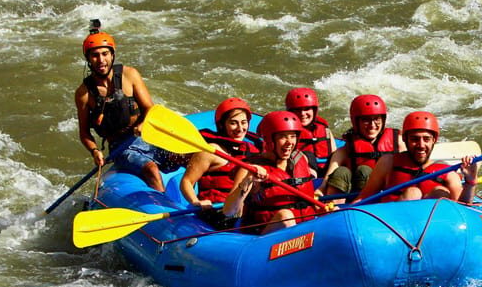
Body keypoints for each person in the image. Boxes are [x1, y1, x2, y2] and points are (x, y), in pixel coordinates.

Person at [74, 22, 168, 191]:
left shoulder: (129, 75)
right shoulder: (83, 93)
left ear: (112, 55)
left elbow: (150, 109)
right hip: (122, 147)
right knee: (151, 169)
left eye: (105, 54)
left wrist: (141, 125)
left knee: (187, 156)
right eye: (95, 55)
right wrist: (95, 150)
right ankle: (166, 214)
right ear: (88, 59)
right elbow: (84, 133)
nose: (101, 60)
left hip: (147, 136)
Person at [222, 110, 319, 234]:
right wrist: (248, 180)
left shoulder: (301, 158)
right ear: (269, 139)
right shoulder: (250, 168)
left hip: (304, 231)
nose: (290, 142)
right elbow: (229, 211)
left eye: (293, 136)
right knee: (286, 216)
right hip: (264, 238)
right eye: (283, 136)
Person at [355, 111, 479, 204]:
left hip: (432, 228)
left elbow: (463, 207)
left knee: (440, 193)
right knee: (412, 193)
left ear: (434, 140)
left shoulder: (448, 172)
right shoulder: (388, 162)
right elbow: (364, 197)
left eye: (426, 139)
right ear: (405, 139)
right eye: (414, 139)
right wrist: (344, 211)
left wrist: (471, 181)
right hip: (392, 225)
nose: (421, 145)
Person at [180, 97, 261, 227]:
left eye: (244, 122)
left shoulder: (253, 150)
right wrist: (196, 202)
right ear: (222, 125)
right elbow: (187, 181)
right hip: (216, 213)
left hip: (243, 213)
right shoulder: (211, 151)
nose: (240, 128)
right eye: (233, 123)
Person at [319, 94, 406, 198]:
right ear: (356, 122)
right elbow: (329, 176)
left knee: (365, 170)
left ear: (383, 120)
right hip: (356, 196)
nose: (372, 125)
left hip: (384, 193)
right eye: (366, 120)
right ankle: (333, 207)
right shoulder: (346, 149)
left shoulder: (398, 142)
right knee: (344, 171)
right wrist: (320, 191)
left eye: (376, 119)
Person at [284, 87, 336, 177]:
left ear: (314, 110)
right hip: (302, 173)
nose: (302, 114)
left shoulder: (325, 129)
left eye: (307, 109)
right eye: (297, 110)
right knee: (307, 155)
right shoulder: (285, 131)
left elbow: (335, 154)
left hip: (326, 173)